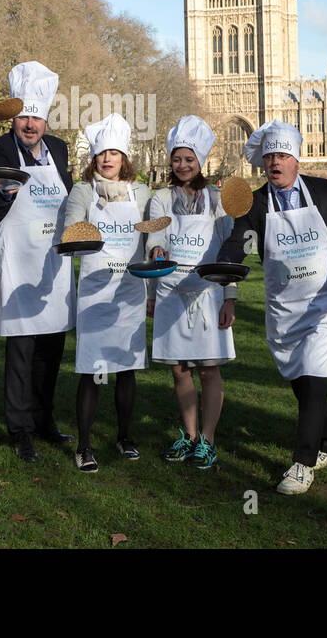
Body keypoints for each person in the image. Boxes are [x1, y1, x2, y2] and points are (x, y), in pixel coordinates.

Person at [219, 120, 327, 495]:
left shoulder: (325, 192)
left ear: (297, 160)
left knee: (315, 378)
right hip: (285, 308)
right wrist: (225, 265)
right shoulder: (255, 201)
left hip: (326, 301)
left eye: (282, 156)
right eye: (269, 157)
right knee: (303, 382)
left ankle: (303, 463)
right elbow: (240, 240)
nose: (275, 163)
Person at [0, 61, 75, 462]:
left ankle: (44, 419)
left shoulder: (59, 149)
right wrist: (1, 193)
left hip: (52, 264)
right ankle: (20, 429)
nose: (30, 124)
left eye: (36, 116)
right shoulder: (0, 149)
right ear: (14, 118)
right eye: (23, 116)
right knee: (21, 348)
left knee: (51, 347)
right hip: (18, 260)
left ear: (45, 119)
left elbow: (69, 198)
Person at [61, 113, 152, 472]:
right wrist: (79, 234)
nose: (108, 159)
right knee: (93, 369)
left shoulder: (141, 192)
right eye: (102, 154)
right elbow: (70, 230)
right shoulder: (83, 191)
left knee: (127, 368)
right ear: (94, 158)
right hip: (96, 293)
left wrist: (155, 274)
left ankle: (125, 436)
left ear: (124, 157)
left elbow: (152, 236)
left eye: (114, 153)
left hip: (129, 291)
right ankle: (84, 446)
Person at [145, 115, 236, 469]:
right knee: (180, 369)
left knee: (208, 369)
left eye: (189, 159)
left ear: (200, 161)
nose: (182, 165)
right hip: (170, 293)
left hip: (209, 294)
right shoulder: (161, 199)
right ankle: (190, 435)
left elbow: (229, 251)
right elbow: (155, 238)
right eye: (177, 159)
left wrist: (230, 297)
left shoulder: (217, 199)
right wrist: (156, 254)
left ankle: (208, 440)